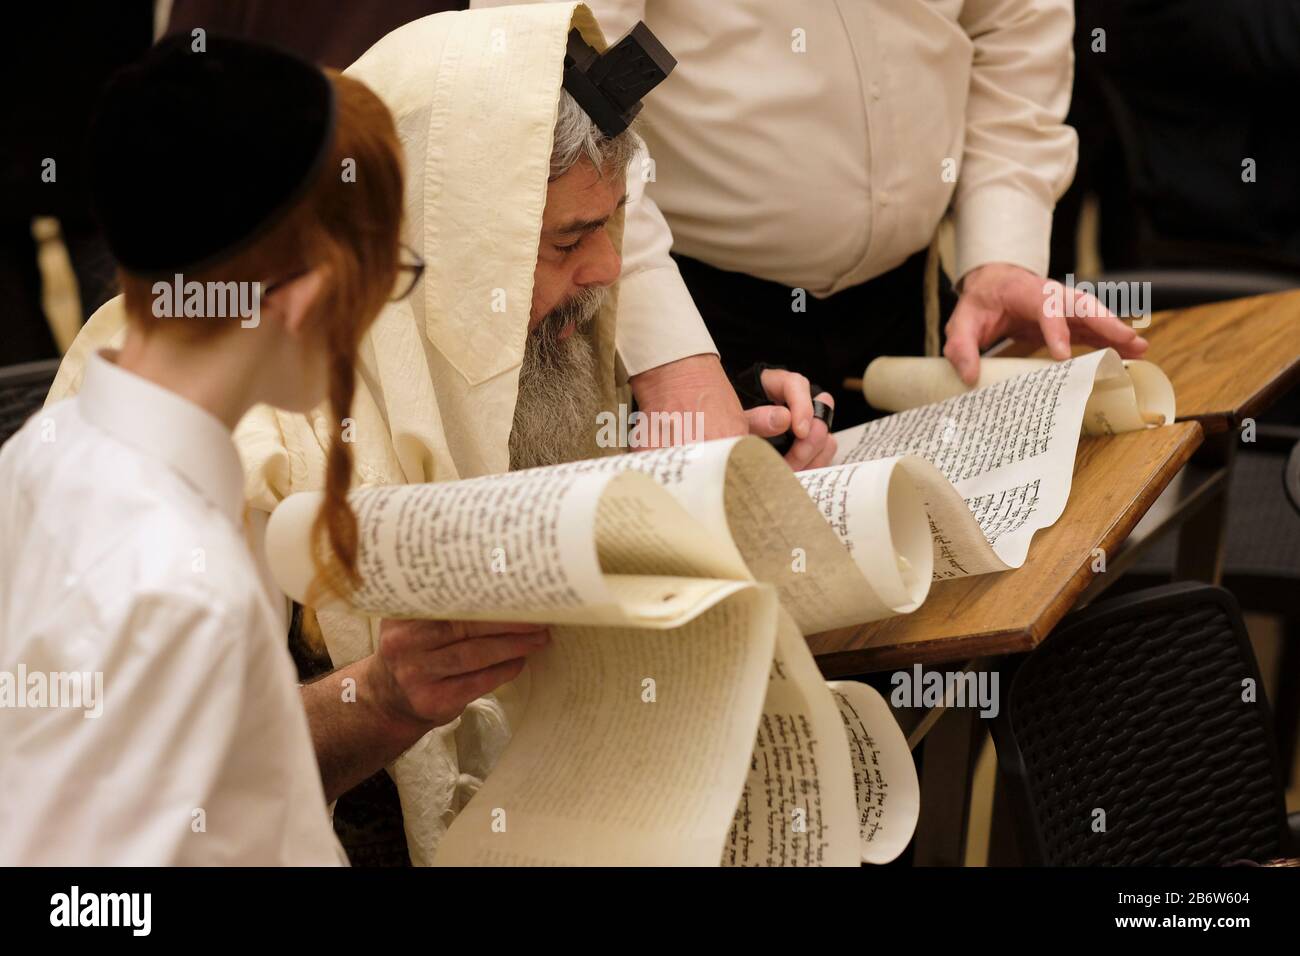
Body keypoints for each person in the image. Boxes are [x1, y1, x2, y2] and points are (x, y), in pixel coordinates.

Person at [47, 5, 836, 864]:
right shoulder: (203, 428)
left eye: (610, 226)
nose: (608, 269)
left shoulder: (531, 337)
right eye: (569, 240)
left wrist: (722, 478)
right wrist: (381, 699)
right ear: (446, 248)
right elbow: (144, 793)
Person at [1, 36, 545, 864]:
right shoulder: (180, 586)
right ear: (314, 295)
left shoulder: (42, 453)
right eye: (387, 277)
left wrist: (386, 698)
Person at [501, 0, 1150, 427]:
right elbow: (545, 83)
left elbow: (1014, 25)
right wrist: (670, 358)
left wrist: (1001, 246)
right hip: (691, 314)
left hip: (915, 308)